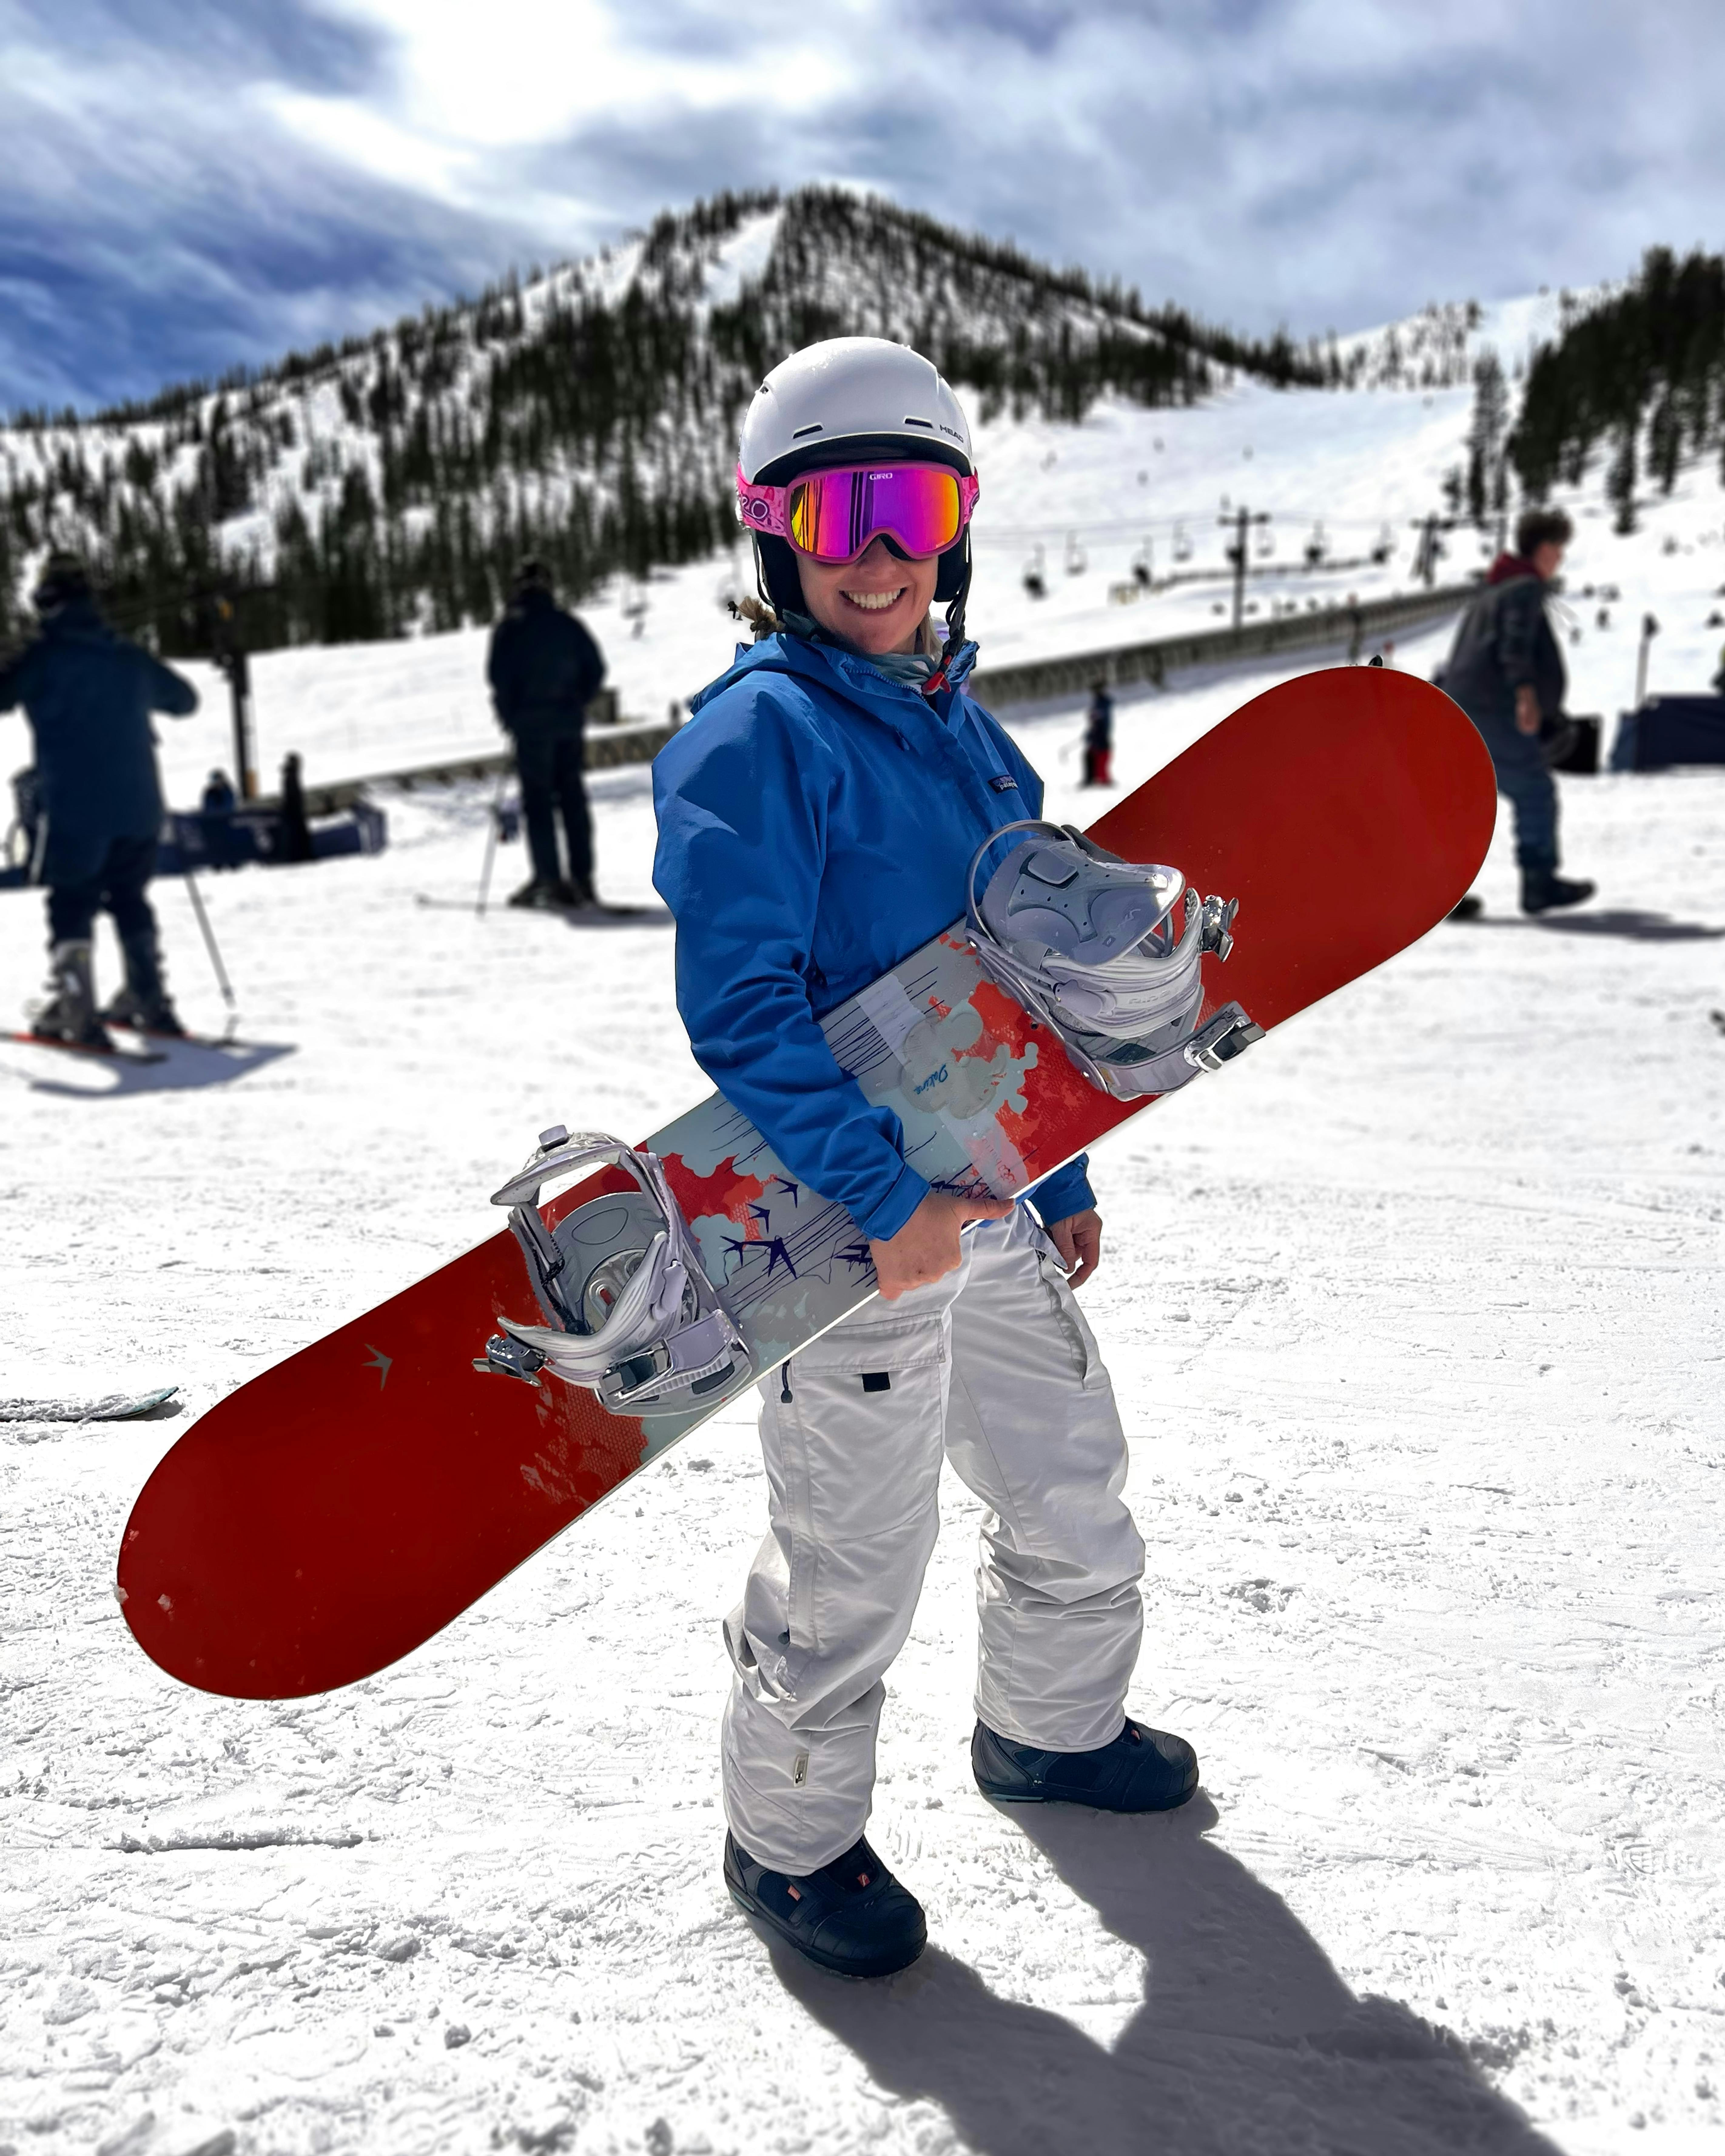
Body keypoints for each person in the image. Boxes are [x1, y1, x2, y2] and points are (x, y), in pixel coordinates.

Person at [653, 339, 1197, 1984]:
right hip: (852, 1233)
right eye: (836, 512)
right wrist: (888, 1208)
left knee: (1069, 1489)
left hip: (994, 1203)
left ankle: (1047, 1729)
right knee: (852, 1568)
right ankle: (790, 1840)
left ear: (954, 527)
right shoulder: (755, 735)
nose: (876, 551)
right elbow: (740, 1013)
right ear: (776, 539)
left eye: (913, 505)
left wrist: (1068, 1174)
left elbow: (1021, 985)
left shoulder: (971, 736)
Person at [0, 552, 198, 1043]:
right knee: (130, 897)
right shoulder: (125, 654)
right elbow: (186, 700)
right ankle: (148, 999)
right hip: (142, 807)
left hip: (76, 807)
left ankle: (76, 1006)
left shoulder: (43, 657)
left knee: (73, 900)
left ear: (47, 602)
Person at [1439, 508, 1594, 918]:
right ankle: (1539, 884)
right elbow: (1514, 645)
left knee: (1466, 798)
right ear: (1544, 549)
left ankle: (1442, 893)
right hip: (1495, 709)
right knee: (1534, 790)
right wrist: (1526, 694)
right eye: (1559, 550)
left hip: (1463, 708)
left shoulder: (1491, 591)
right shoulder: (1523, 589)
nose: (1560, 559)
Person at [486, 559, 606, 909]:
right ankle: (582, 880)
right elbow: (595, 669)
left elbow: (500, 680)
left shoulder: (509, 628)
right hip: (567, 722)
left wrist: (512, 717)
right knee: (572, 800)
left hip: (530, 728)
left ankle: (549, 880)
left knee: (538, 802)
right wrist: (578, 703)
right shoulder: (568, 625)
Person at [277, 751, 313, 864]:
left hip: (294, 808)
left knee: (298, 833)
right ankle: (301, 855)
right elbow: (292, 794)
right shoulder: (292, 774)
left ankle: (301, 854)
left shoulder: (292, 774)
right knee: (299, 833)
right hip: (295, 809)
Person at [1082, 678, 1114, 786]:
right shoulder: (1098, 702)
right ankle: (1091, 779)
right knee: (1089, 755)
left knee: (1098, 756)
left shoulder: (1103, 703)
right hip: (1097, 734)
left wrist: (1094, 719)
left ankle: (1100, 779)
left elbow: (1101, 720)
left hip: (1101, 735)